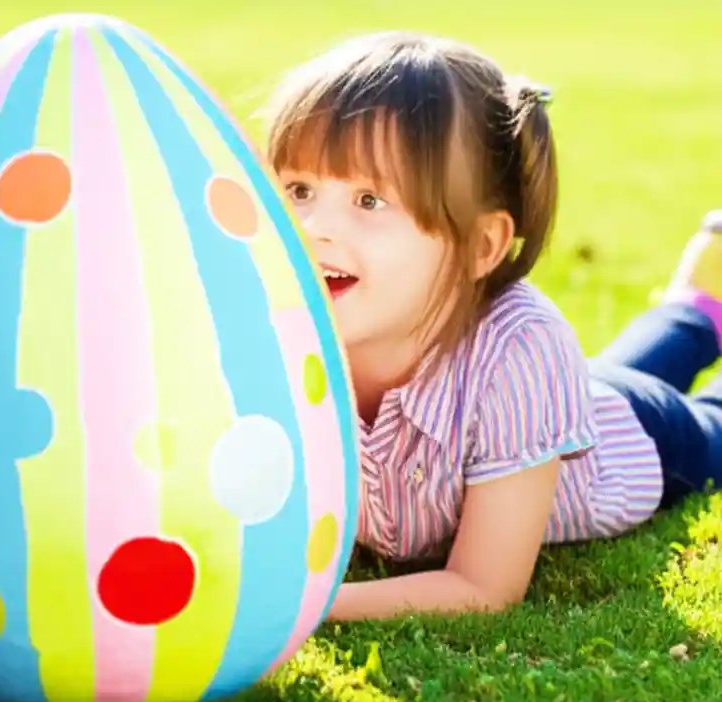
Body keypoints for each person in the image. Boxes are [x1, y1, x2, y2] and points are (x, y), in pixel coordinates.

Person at [262, 31, 719, 621]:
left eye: (369, 200)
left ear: (480, 246)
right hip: (565, 400)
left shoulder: (520, 350)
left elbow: (484, 587)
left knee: (705, 425)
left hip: (642, 441)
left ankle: (699, 315)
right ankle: (698, 308)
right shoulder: (279, 323)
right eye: (299, 189)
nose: (311, 226)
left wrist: (301, 609)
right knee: (603, 376)